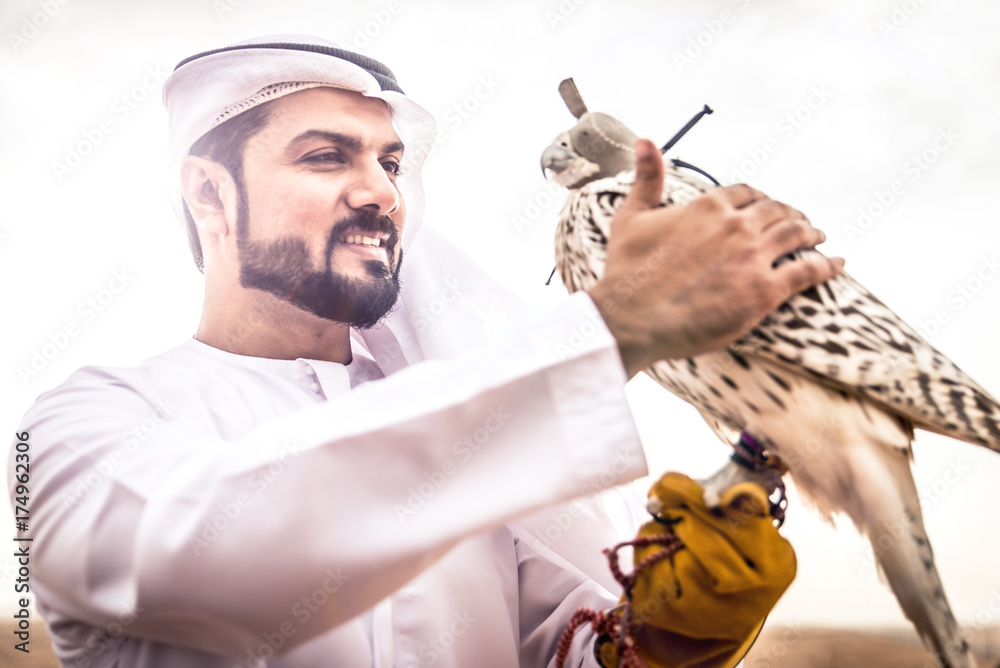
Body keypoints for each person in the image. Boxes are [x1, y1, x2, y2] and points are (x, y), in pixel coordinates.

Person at [11, 34, 842, 667]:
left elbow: (569, 649)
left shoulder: (465, 418)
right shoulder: (84, 423)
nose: (382, 192)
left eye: (391, 162)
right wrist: (617, 327)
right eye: (326, 156)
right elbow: (209, 562)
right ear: (208, 191)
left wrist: (666, 639)